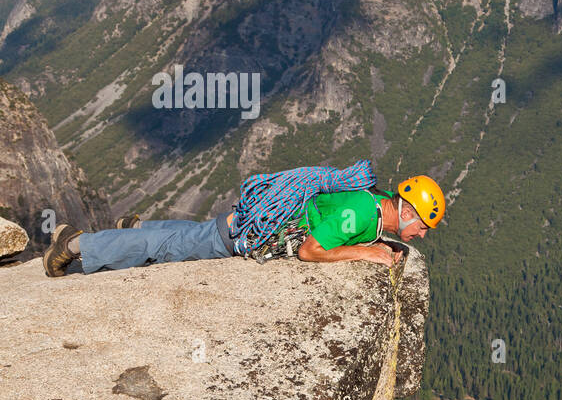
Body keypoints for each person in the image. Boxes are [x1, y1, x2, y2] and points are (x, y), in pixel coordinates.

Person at [42, 174, 445, 277]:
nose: (421, 236)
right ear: (407, 211)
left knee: (185, 237)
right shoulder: (361, 211)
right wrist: (366, 252)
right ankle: (80, 246)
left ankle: (134, 226)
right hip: (246, 235)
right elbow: (310, 251)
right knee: (162, 250)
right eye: (424, 226)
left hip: (250, 224)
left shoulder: (373, 202)